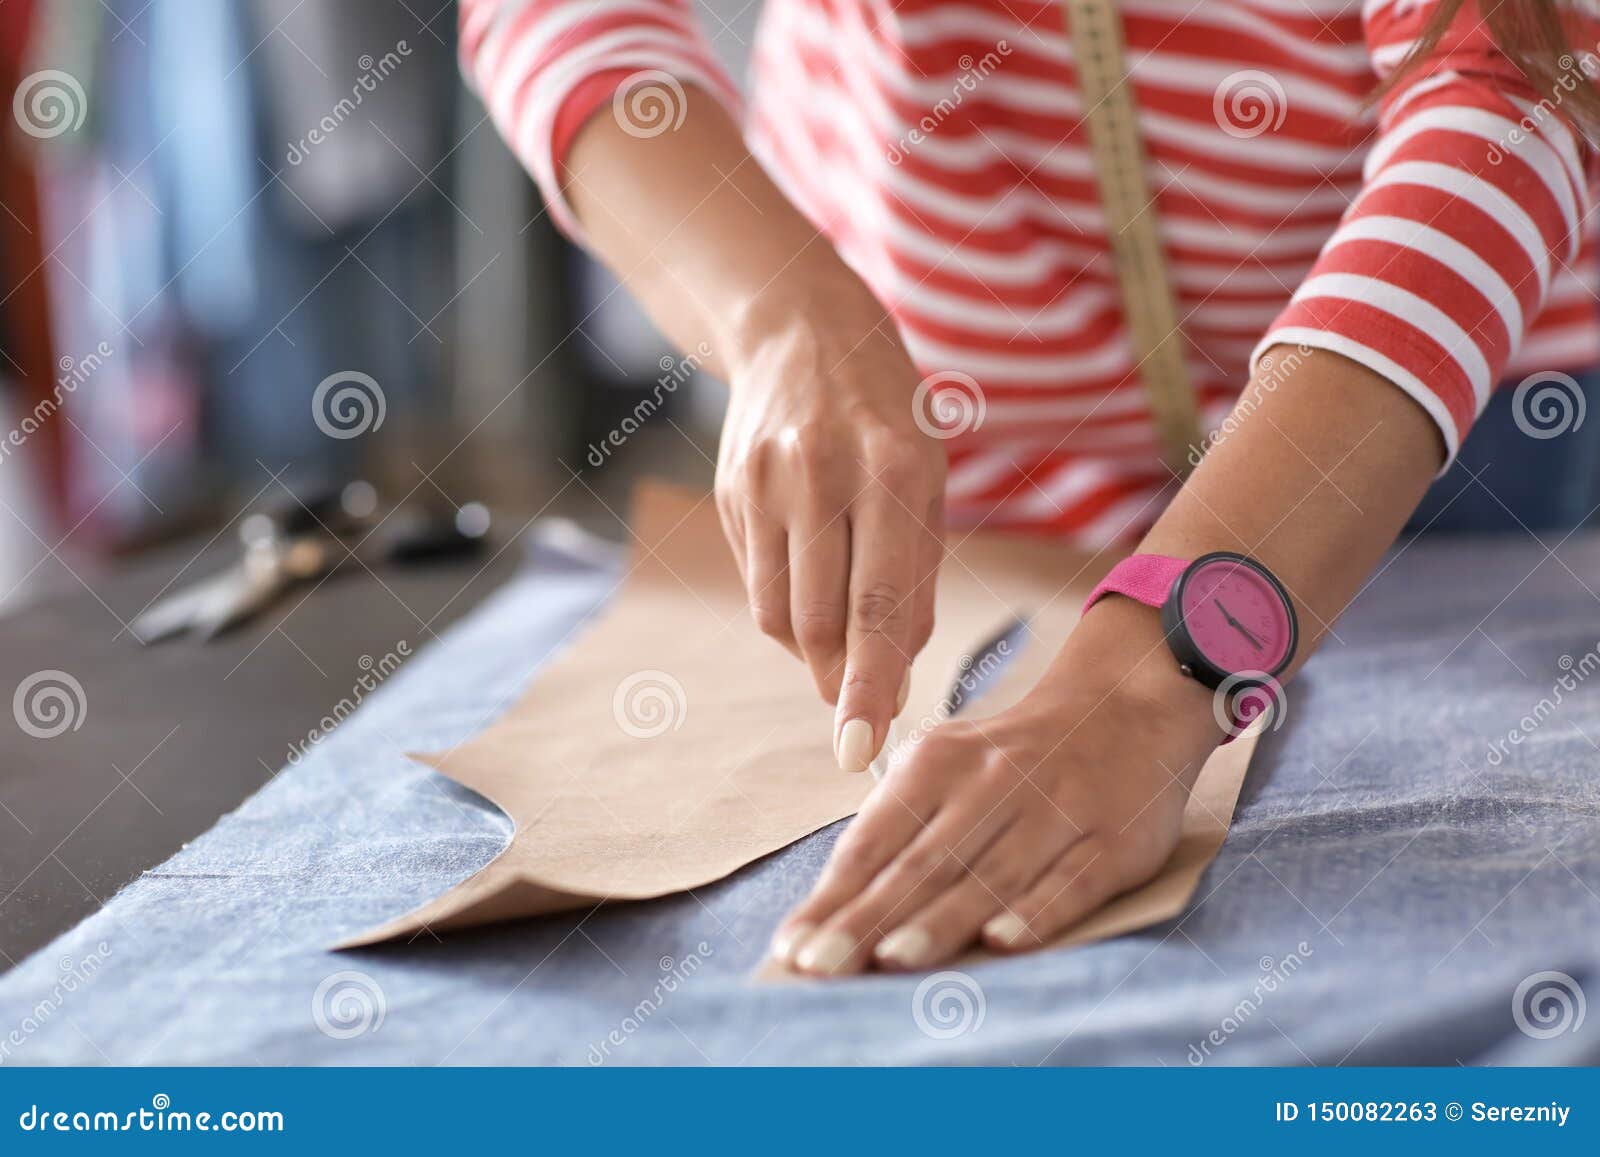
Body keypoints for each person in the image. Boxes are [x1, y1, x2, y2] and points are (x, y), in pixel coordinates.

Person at [460, 0, 1600, 974]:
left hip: (1450, 391)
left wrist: (1148, 681)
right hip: (945, 392)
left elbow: (1512, 85)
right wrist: (776, 317)